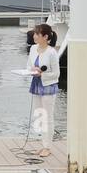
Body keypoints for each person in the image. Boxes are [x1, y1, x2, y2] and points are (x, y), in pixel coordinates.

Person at [25, 23, 60, 157]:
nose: (34, 36)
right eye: (34, 34)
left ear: (45, 37)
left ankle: (48, 147)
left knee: (48, 116)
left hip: (48, 86)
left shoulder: (52, 52)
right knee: (40, 115)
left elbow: (56, 74)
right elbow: (29, 65)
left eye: (37, 34)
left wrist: (42, 74)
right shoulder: (33, 48)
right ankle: (43, 144)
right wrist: (32, 70)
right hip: (36, 85)